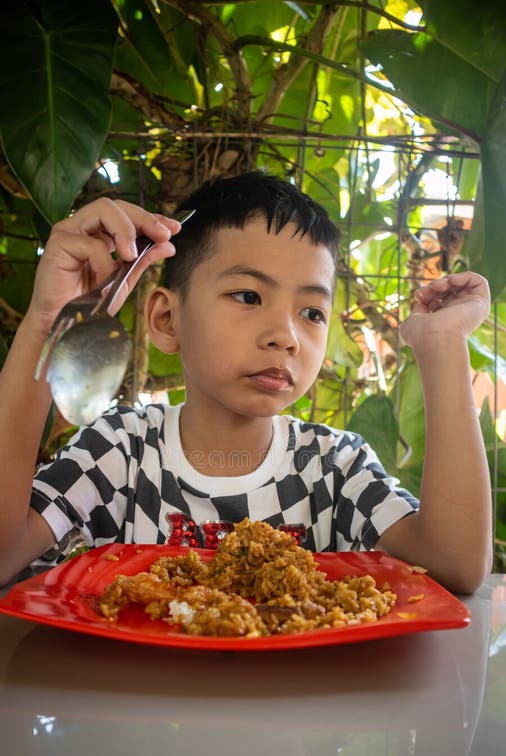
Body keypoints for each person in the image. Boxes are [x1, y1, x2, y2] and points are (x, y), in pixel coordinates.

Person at [0, 171, 492, 591]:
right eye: (249, 297)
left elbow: (454, 566)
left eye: (312, 312)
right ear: (167, 320)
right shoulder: (121, 452)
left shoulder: (333, 468)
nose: (286, 336)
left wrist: (444, 344)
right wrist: (47, 320)